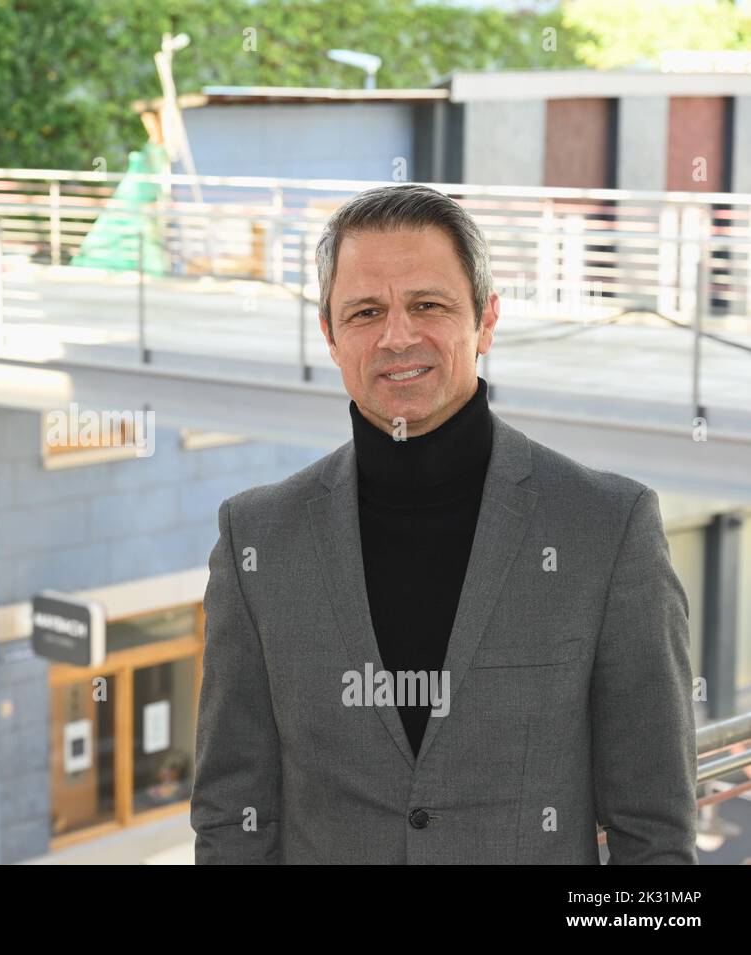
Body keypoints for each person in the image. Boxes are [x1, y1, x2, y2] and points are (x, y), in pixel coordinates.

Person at [191, 183, 697, 864]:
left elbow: (656, 834)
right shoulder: (256, 541)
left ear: (486, 320)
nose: (397, 336)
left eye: (427, 304)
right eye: (366, 311)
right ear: (330, 335)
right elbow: (231, 820)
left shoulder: (607, 529)